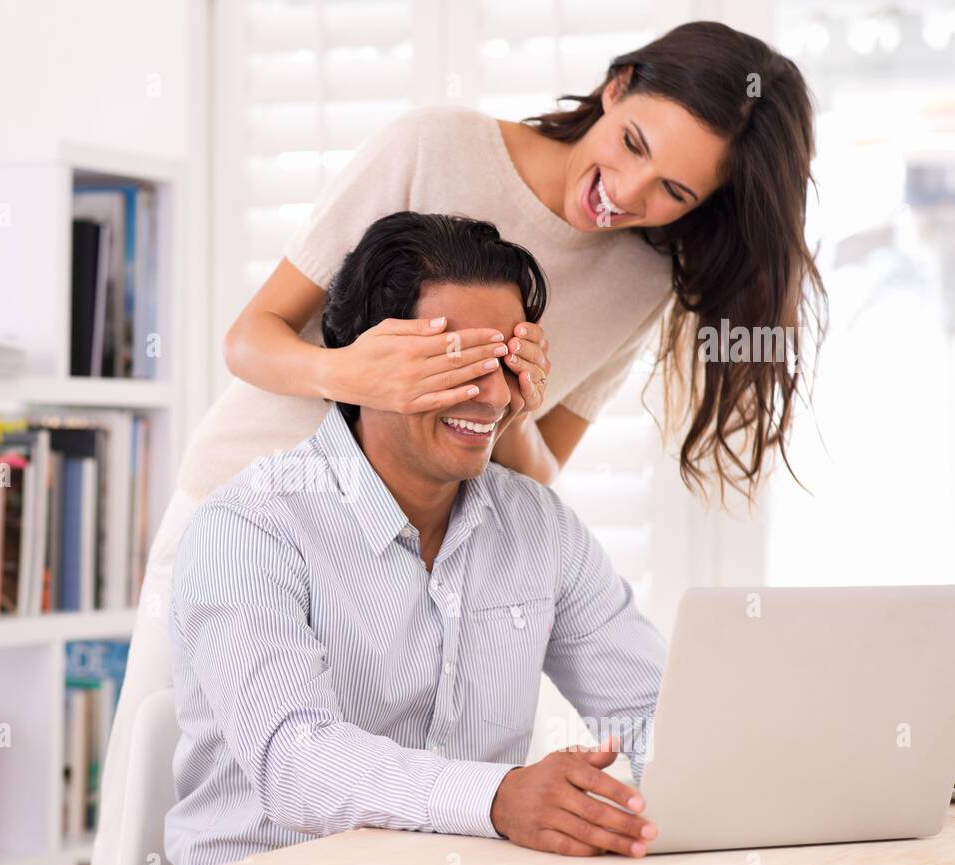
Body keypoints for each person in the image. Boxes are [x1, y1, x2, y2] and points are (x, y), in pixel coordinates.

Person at [165, 213, 665, 865]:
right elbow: (295, 759)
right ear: (370, 366)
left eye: (504, 362)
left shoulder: (538, 527)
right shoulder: (249, 528)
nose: (491, 395)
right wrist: (498, 797)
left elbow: (655, 711)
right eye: (452, 361)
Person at [194, 20, 825, 504]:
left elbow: (539, 480)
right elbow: (248, 341)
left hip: (392, 571)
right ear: (618, 86)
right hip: (240, 503)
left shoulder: (642, 281)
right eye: (634, 144)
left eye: (674, 191)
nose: (627, 193)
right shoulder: (435, 146)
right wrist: (354, 376)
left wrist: (513, 411)